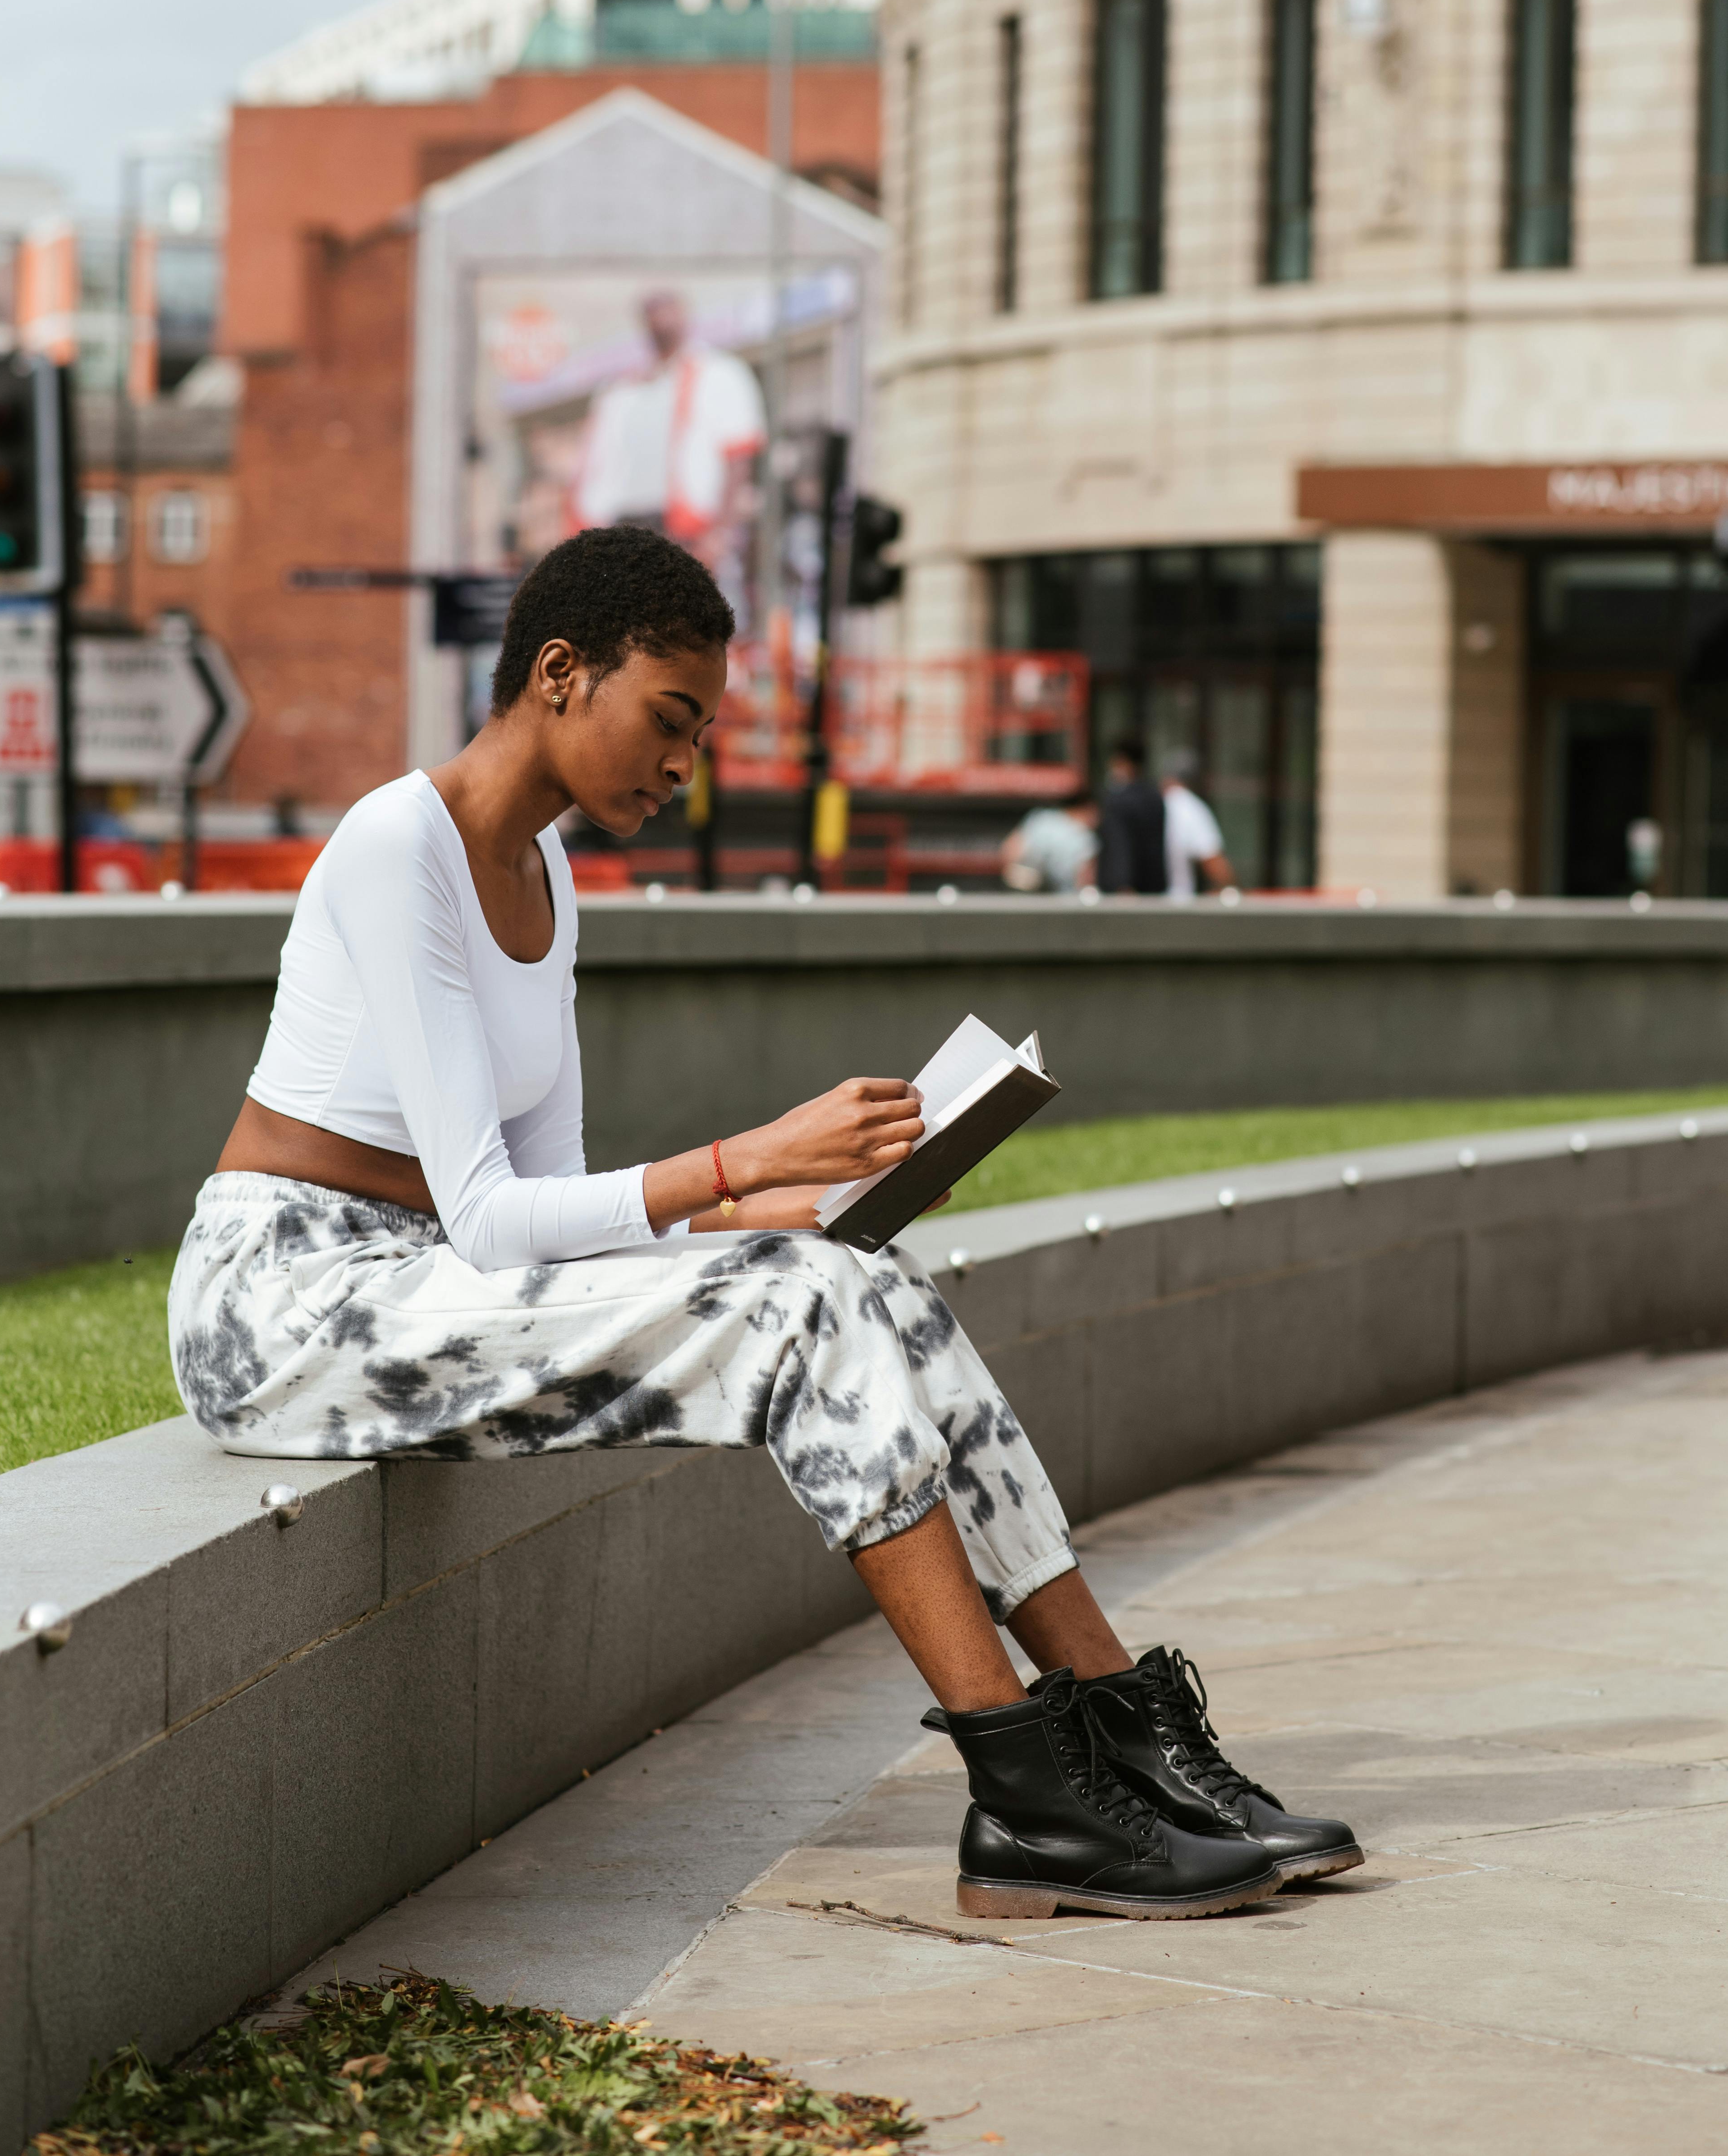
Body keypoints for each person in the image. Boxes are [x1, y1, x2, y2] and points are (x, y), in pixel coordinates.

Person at [168, 528, 1356, 1920]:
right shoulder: (397, 843)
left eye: (699, 734)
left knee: (861, 1272)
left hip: (417, 1280)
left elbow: (556, 1217)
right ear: (559, 673)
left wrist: (792, 1204)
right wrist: (744, 1156)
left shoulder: (547, 894)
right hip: (280, 1301)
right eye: (669, 720)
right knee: (798, 1304)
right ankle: (1029, 1793)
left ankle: (1118, 1716)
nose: (683, 765)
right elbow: (492, 1222)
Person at [573, 290, 765, 618]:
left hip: (688, 532)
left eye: (668, 308)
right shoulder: (622, 390)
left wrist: (721, 532)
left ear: (685, 313)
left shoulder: (718, 374)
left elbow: (738, 458)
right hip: (628, 526)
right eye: (652, 311)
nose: (661, 320)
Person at [1095, 739, 1168, 895]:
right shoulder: (1155, 797)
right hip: (1154, 892)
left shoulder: (1118, 801)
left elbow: (1120, 846)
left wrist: (1123, 884)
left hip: (1125, 893)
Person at [1160, 751, 1237, 899]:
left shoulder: (1155, 806)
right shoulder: (1190, 808)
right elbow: (1213, 862)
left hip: (1143, 904)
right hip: (1178, 905)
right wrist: (1233, 891)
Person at [1001, 788, 1098, 894]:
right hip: (1063, 902)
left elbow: (1009, 852)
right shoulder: (1085, 838)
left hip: (1029, 896)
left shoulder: (1042, 818)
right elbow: (1085, 881)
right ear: (1089, 809)